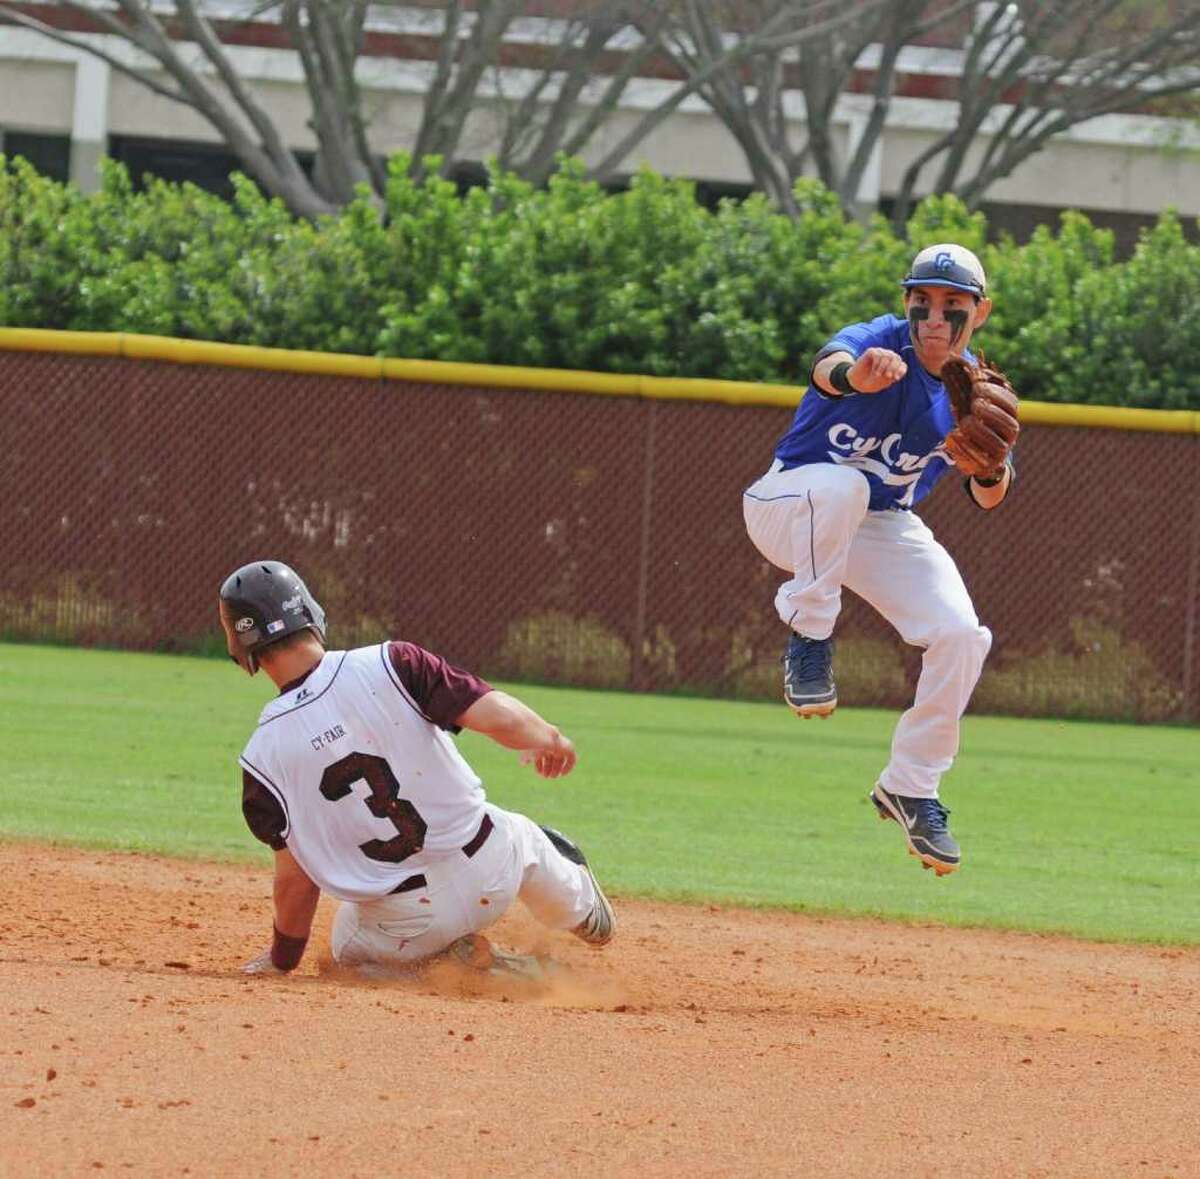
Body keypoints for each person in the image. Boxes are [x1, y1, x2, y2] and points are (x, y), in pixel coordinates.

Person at [742, 243, 1017, 876]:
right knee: (845, 487)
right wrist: (854, 377)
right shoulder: (878, 341)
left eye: (954, 305)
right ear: (906, 302)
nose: (935, 317)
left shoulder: (969, 389)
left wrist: (991, 463)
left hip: (882, 525)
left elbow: (990, 496)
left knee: (961, 635)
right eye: (923, 300)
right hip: (790, 502)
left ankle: (912, 785)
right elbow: (827, 365)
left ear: (981, 312)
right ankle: (809, 636)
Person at [218, 559, 615, 977]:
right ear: (308, 612)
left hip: (404, 924)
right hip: (490, 871)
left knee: (347, 952)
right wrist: (547, 738)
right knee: (523, 837)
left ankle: (443, 971)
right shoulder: (392, 663)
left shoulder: (261, 758)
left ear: (243, 647)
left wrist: (282, 960)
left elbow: (296, 882)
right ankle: (582, 908)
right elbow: (496, 716)